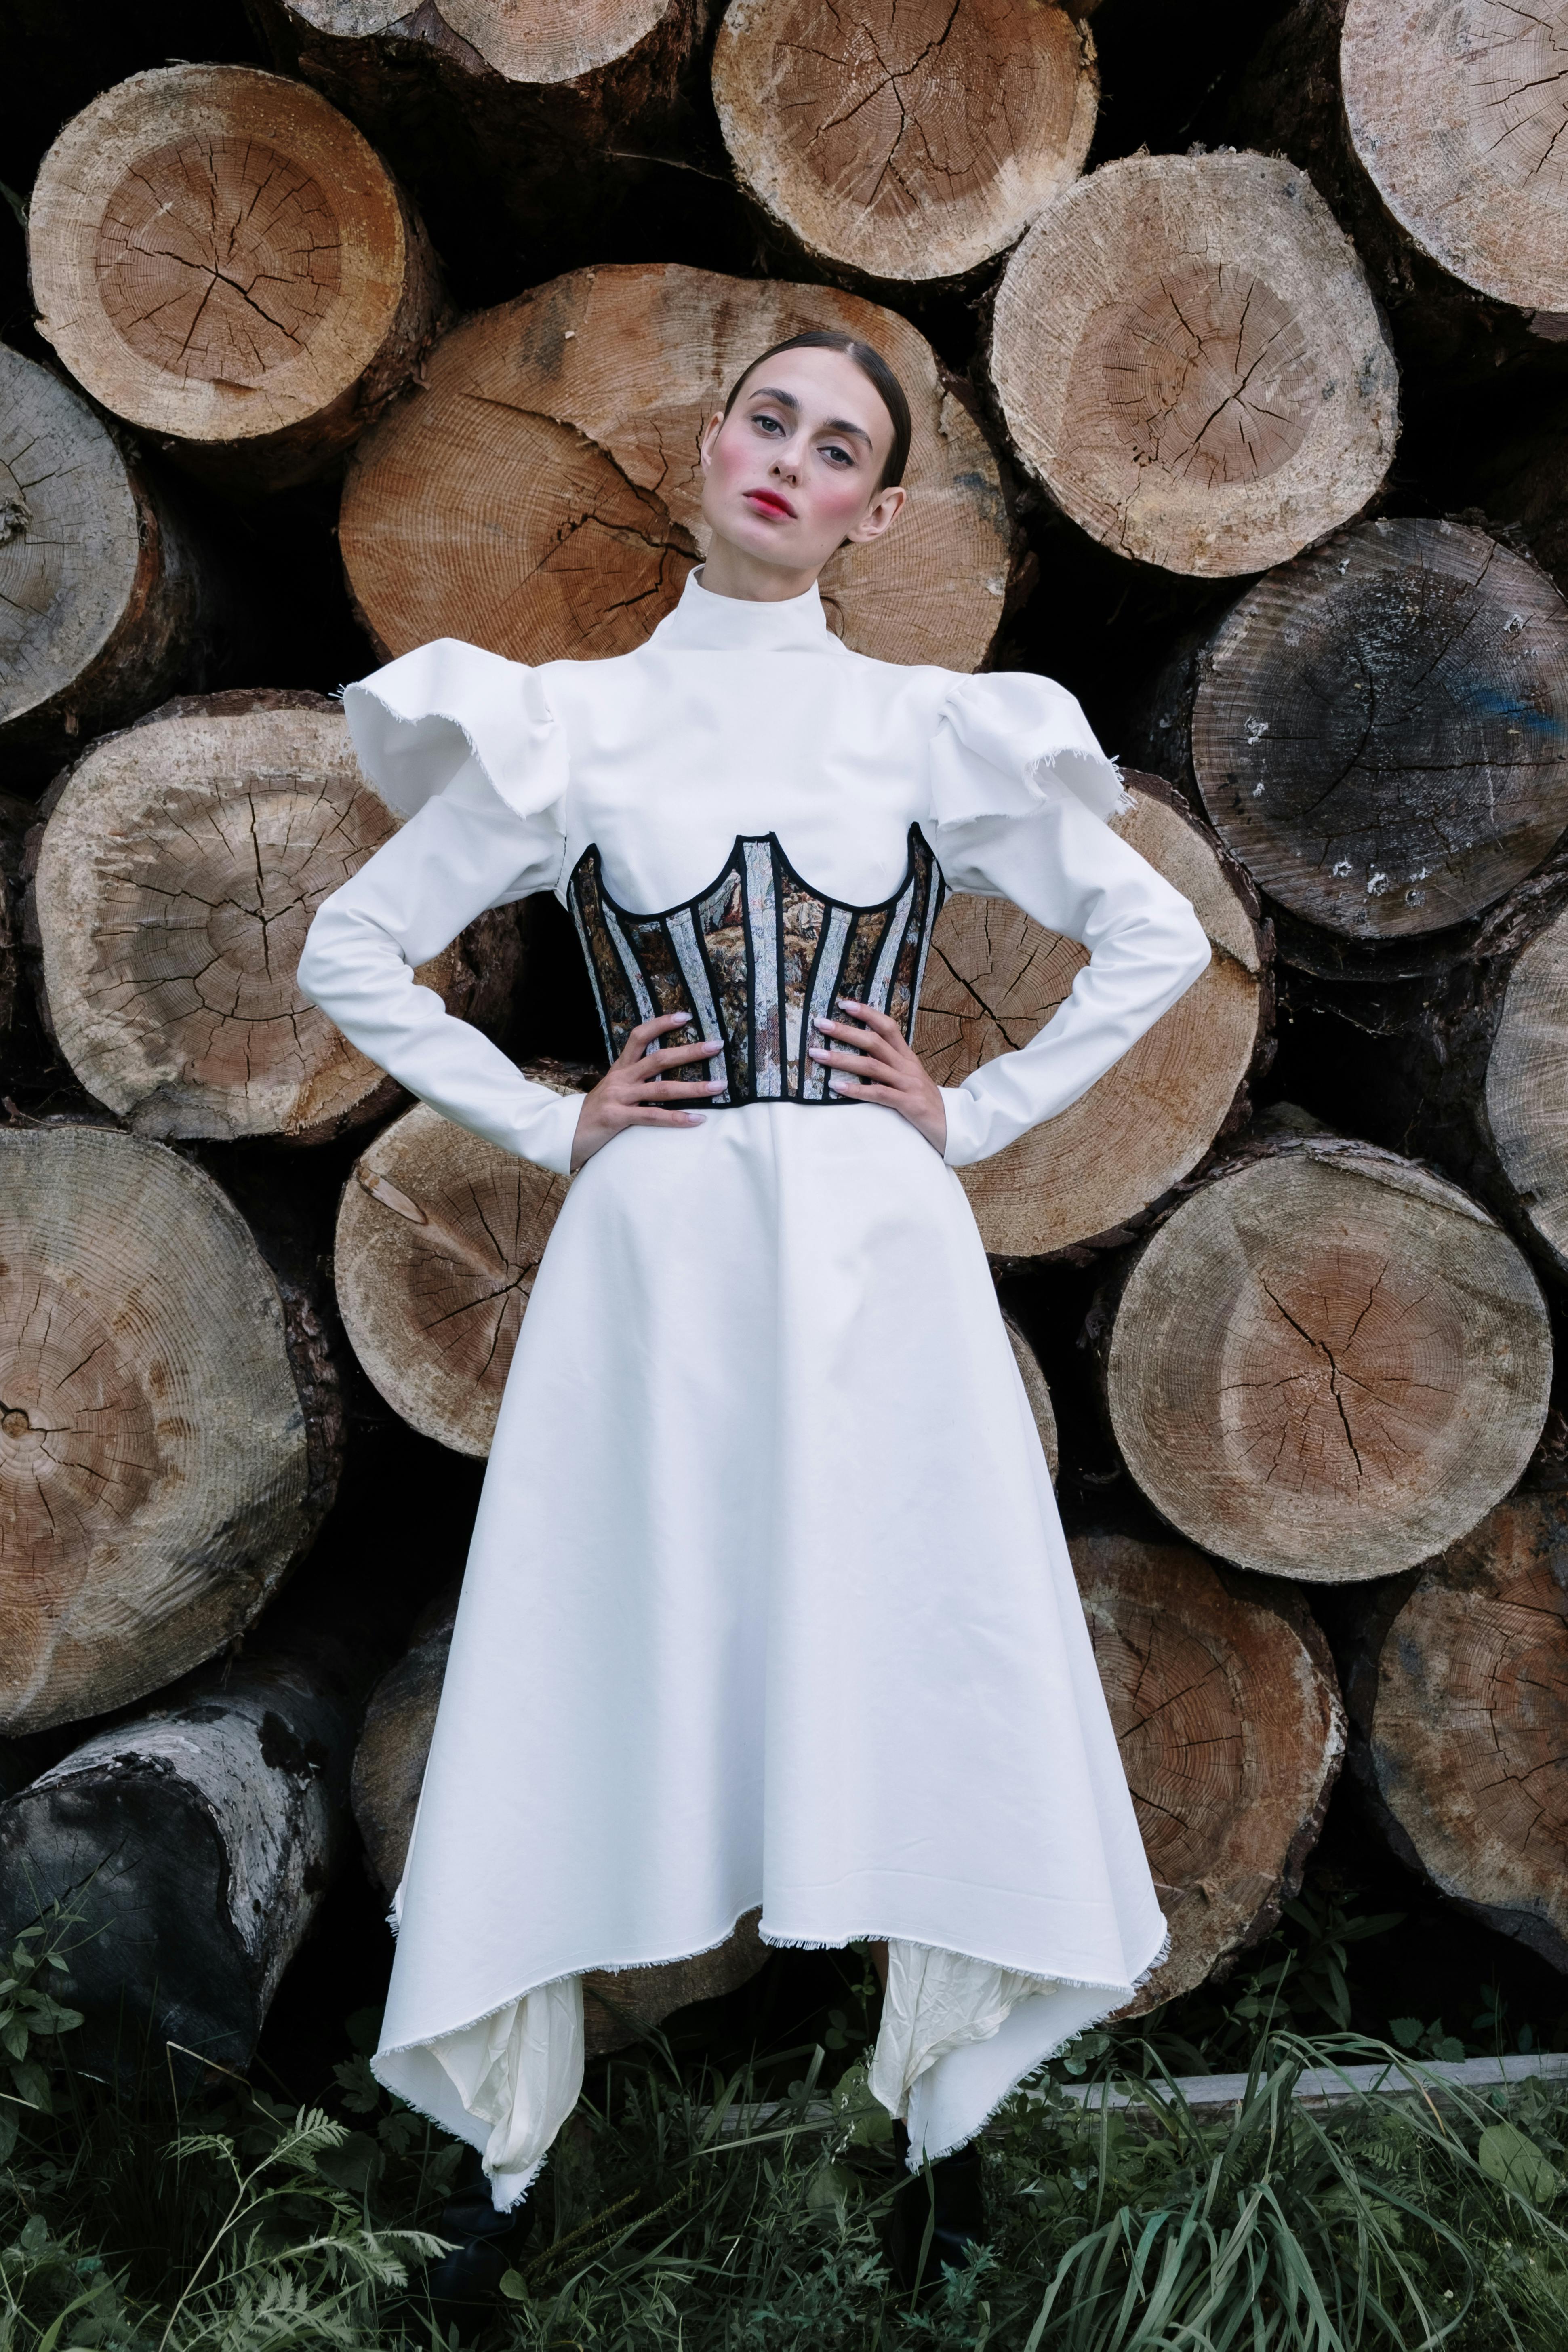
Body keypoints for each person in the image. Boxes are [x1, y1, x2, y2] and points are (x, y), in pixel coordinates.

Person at [296, 328, 1211, 2303]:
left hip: (882, 1255)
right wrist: (550, 1117)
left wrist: (974, 1109)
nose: (790, 461)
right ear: (709, 452)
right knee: (591, 1638)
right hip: (653, 1266)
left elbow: (1149, 928)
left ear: (877, 514)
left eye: (839, 448)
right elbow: (348, 944)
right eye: (767, 421)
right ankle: (510, 2149)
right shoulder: (573, 727)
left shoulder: (925, 730)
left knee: (917, 1636)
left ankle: (944, 2132)